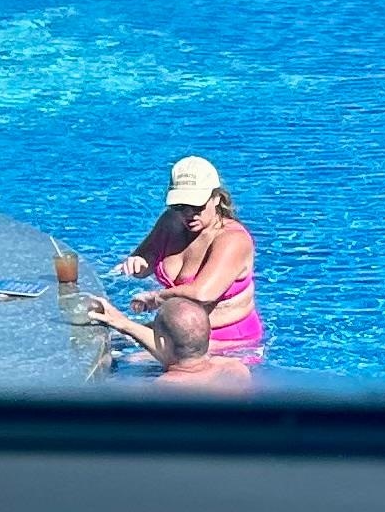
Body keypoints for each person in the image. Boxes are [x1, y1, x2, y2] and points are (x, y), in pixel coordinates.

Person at [110, 155, 263, 364]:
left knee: (128, 364)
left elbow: (202, 294)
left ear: (216, 198)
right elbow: (146, 257)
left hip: (225, 343)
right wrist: (138, 263)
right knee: (105, 343)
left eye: (197, 206)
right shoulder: (171, 222)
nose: (189, 214)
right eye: (181, 206)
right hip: (176, 333)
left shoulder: (232, 239)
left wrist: (154, 298)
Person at [83, 283, 253, 387]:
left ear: (162, 343)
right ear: (208, 335)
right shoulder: (236, 370)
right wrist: (124, 324)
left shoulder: (163, 389)